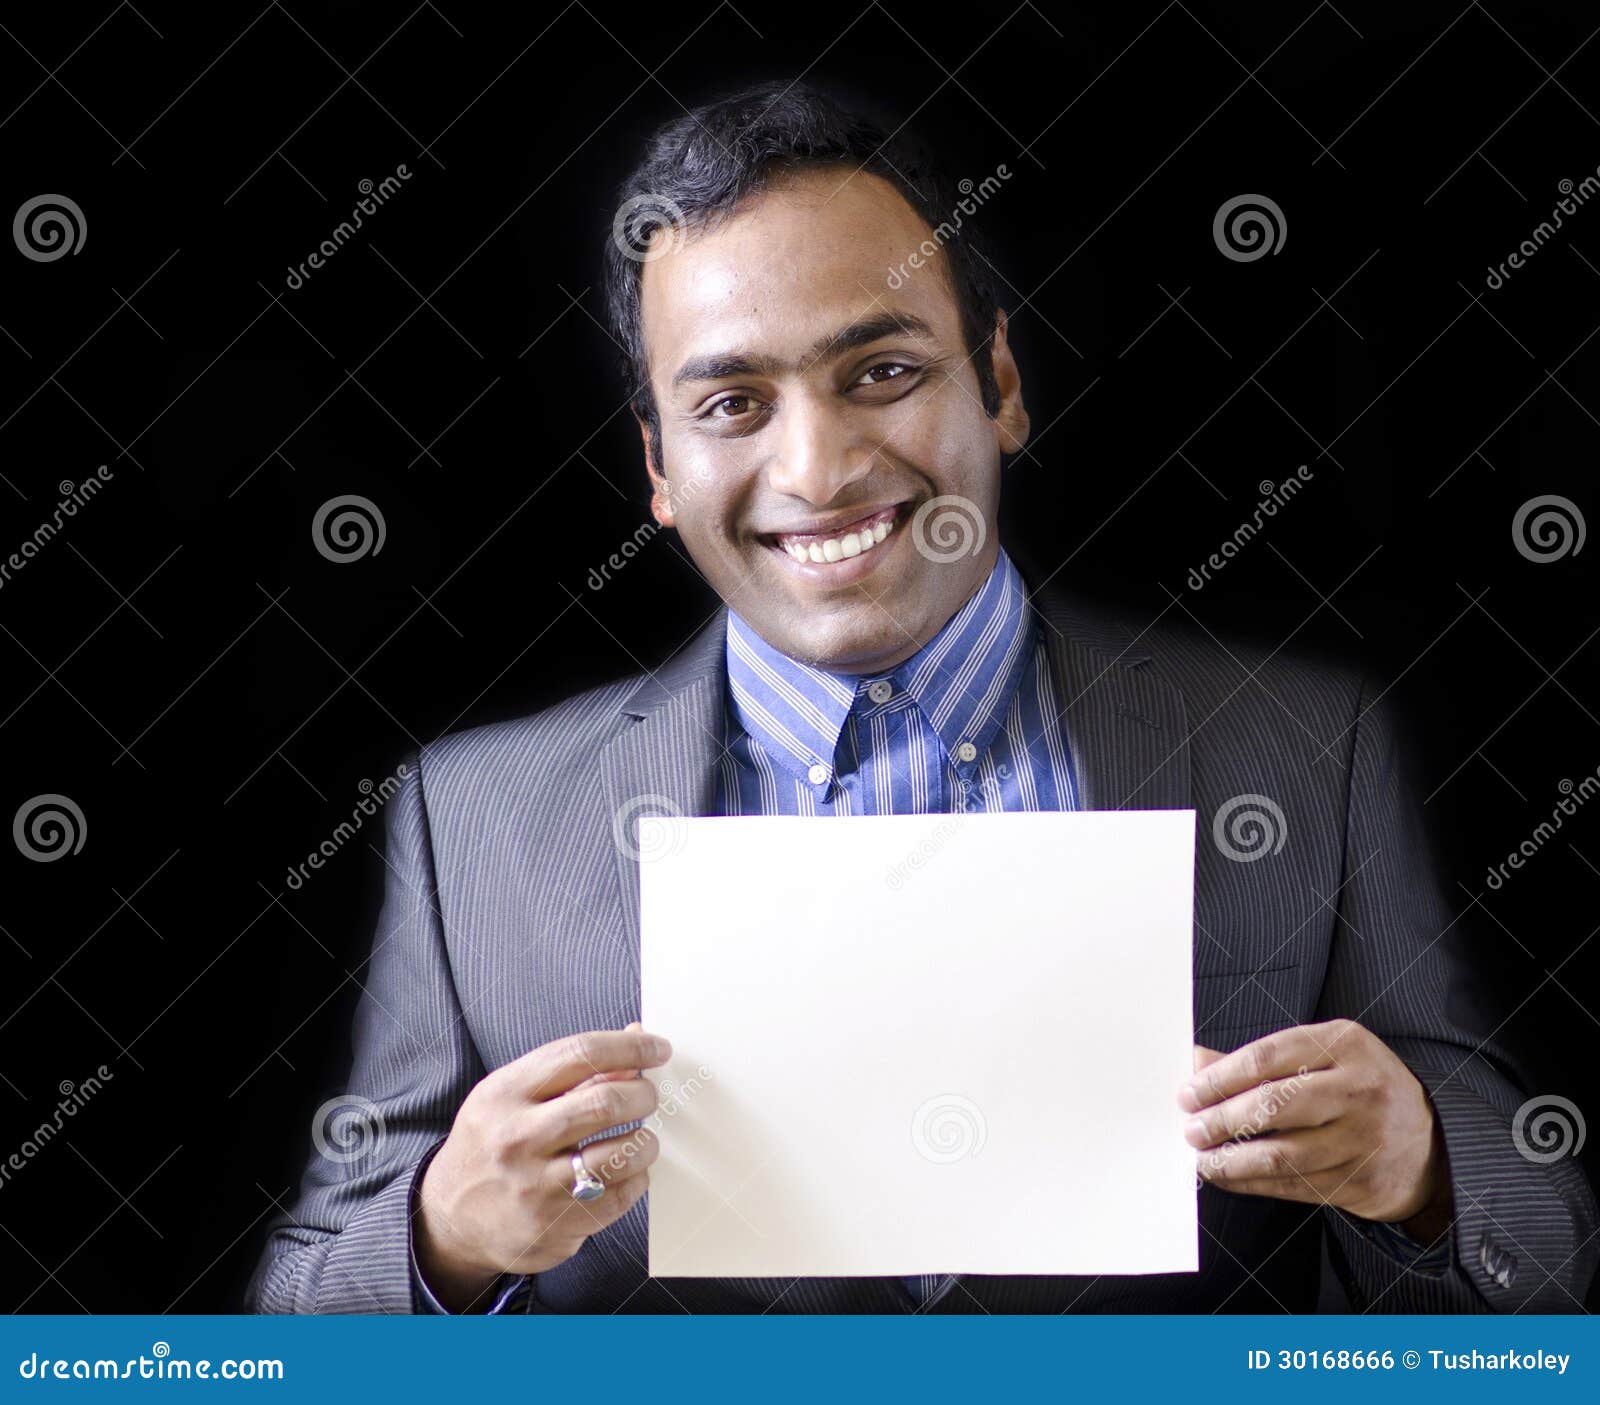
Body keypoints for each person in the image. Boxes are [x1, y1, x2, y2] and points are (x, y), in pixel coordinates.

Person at [246, 81, 1597, 1315]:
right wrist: (442, 1236)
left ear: (998, 381)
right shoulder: (472, 818)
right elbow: (295, 1319)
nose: (822, 466)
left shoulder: (1302, 747)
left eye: (880, 372)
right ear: (659, 465)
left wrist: (1418, 1163)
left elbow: (1546, 1242)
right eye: (732, 403)